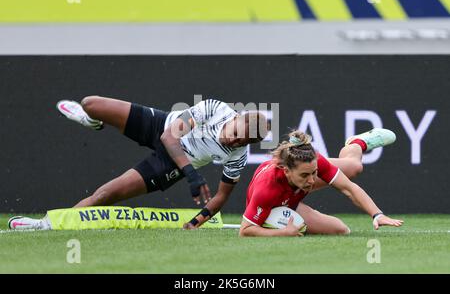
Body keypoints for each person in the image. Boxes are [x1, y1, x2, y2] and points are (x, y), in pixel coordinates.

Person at [8, 96, 268, 230]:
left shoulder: (238, 155)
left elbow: (222, 196)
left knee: (105, 194)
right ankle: (93, 122)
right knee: (90, 104)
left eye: (239, 141)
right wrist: (192, 175)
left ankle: (46, 224)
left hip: (171, 165)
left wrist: (197, 221)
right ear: (237, 117)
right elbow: (169, 136)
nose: (231, 140)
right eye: (234, 133)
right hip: (162, 126)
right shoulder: (216, 109)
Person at [240, 129, 404, 237]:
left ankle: (358, 142)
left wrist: (377, 214)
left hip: (292, 192)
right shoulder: (267, 188)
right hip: (276, 205)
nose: (312, 180)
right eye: (305, 174)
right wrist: (282, 233)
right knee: (340, 230)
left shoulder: (314, 163)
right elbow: (245, 231)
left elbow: (349, 189)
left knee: (354, 167)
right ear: (286, 170)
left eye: (315, 173)